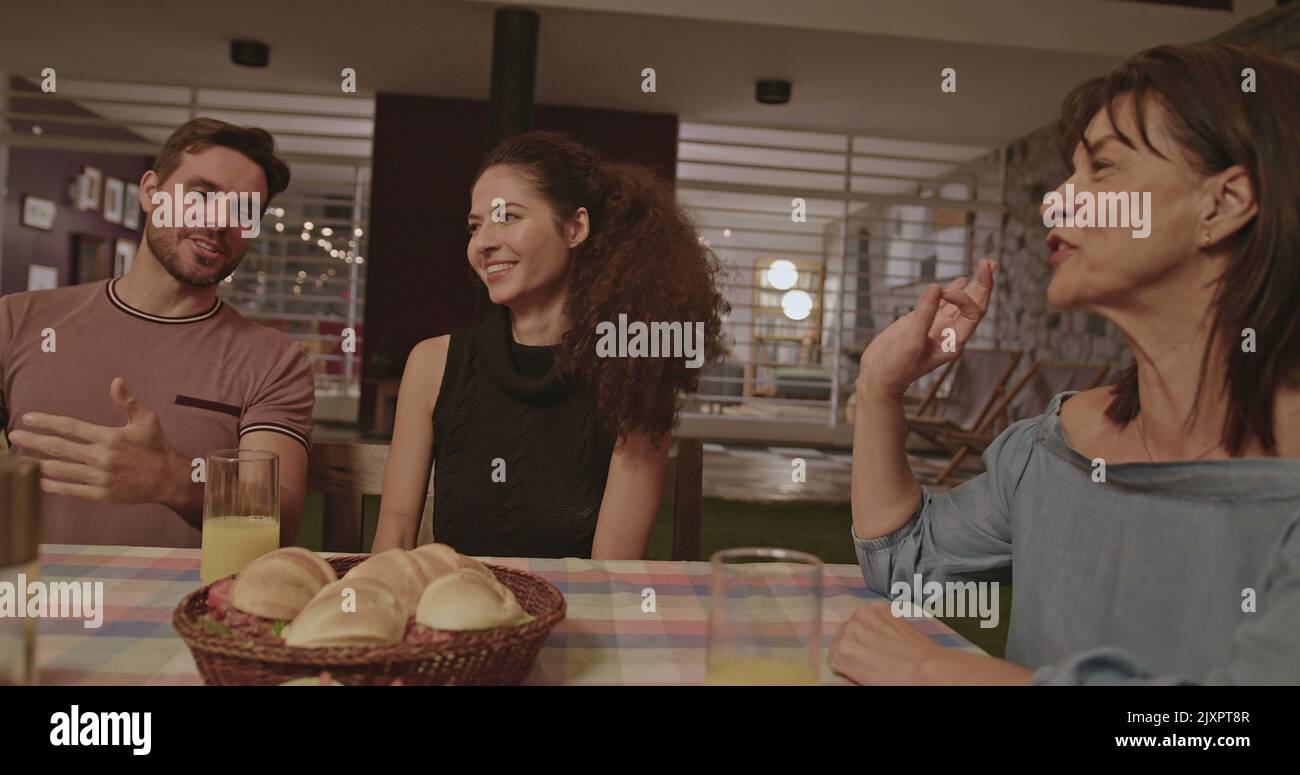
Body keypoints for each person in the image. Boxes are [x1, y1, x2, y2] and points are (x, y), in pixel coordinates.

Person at [834, 43, 1300, 685]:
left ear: (1222, 204)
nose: (1056, 202)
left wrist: (930, 673)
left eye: (1102, 169)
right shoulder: (1054, 448)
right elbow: (906, 567)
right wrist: (880, 388)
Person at [372, 131, 726, 559]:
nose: (482, 243)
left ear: (575, 228)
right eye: (475, 225)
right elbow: (394, 532)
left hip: (578, 618)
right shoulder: (432, 364)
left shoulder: (634, 371)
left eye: (507, 217)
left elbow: (610, 573)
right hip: (457, 617)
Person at [0, 118, 314, 547]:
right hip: (28, 600)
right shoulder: (18, 319)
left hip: (185, 610)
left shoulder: (273, 359)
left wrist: (169, 479)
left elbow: (278, 516)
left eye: (244, 211)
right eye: (203, 195)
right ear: (151, 191)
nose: (220, 222)